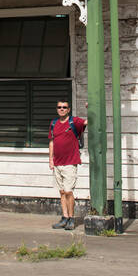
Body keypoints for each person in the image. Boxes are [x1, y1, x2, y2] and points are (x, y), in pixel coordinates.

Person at [48, 99, 86, 230]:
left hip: (70, 162)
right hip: (57, 163)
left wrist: (90, 108)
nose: (62, 109)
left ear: (68, 109)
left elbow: (88, 122)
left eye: (64, 107)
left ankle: (71, 218)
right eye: (59, 107)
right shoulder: (53, 123)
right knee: (62, 192)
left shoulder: (74, 121)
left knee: (69, 192)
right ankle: (64, 217)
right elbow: (52, 141)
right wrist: (50, 159)